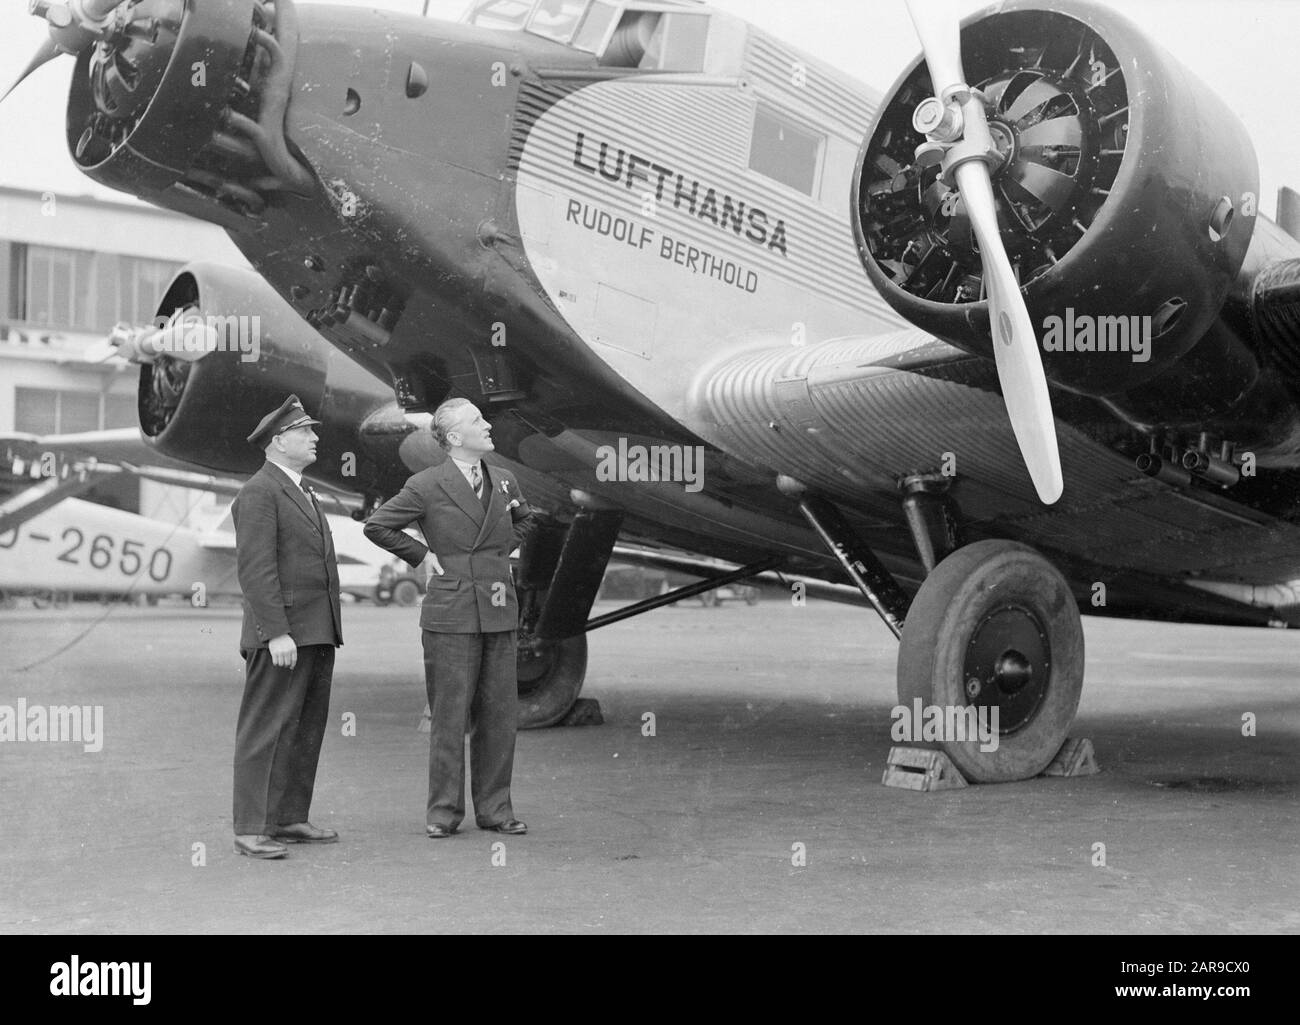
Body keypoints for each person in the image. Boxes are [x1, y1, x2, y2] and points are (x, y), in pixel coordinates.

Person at [363, 398, 532, 838]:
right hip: (450, 614)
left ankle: (496, 810)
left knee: (499, 714)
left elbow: (526, 522)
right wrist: (422, 555)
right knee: (449, 715)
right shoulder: (425, 484)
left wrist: (497, 552)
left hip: (497, 608)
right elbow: (378, 525)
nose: (488, 424)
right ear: (455, 437)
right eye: (478, 421)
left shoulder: (507, 481)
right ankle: (443, 813)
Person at [230, 395, 343, 859]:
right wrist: (275, 631)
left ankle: (288, 816)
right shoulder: (260, 491)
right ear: (279, 441)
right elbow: (256, 569)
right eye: (305, 432)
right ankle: (251, 827)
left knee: (303, 727)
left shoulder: (299, 488)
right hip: (284, 633)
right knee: (265, 729)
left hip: (314, 629)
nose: (315, 438)